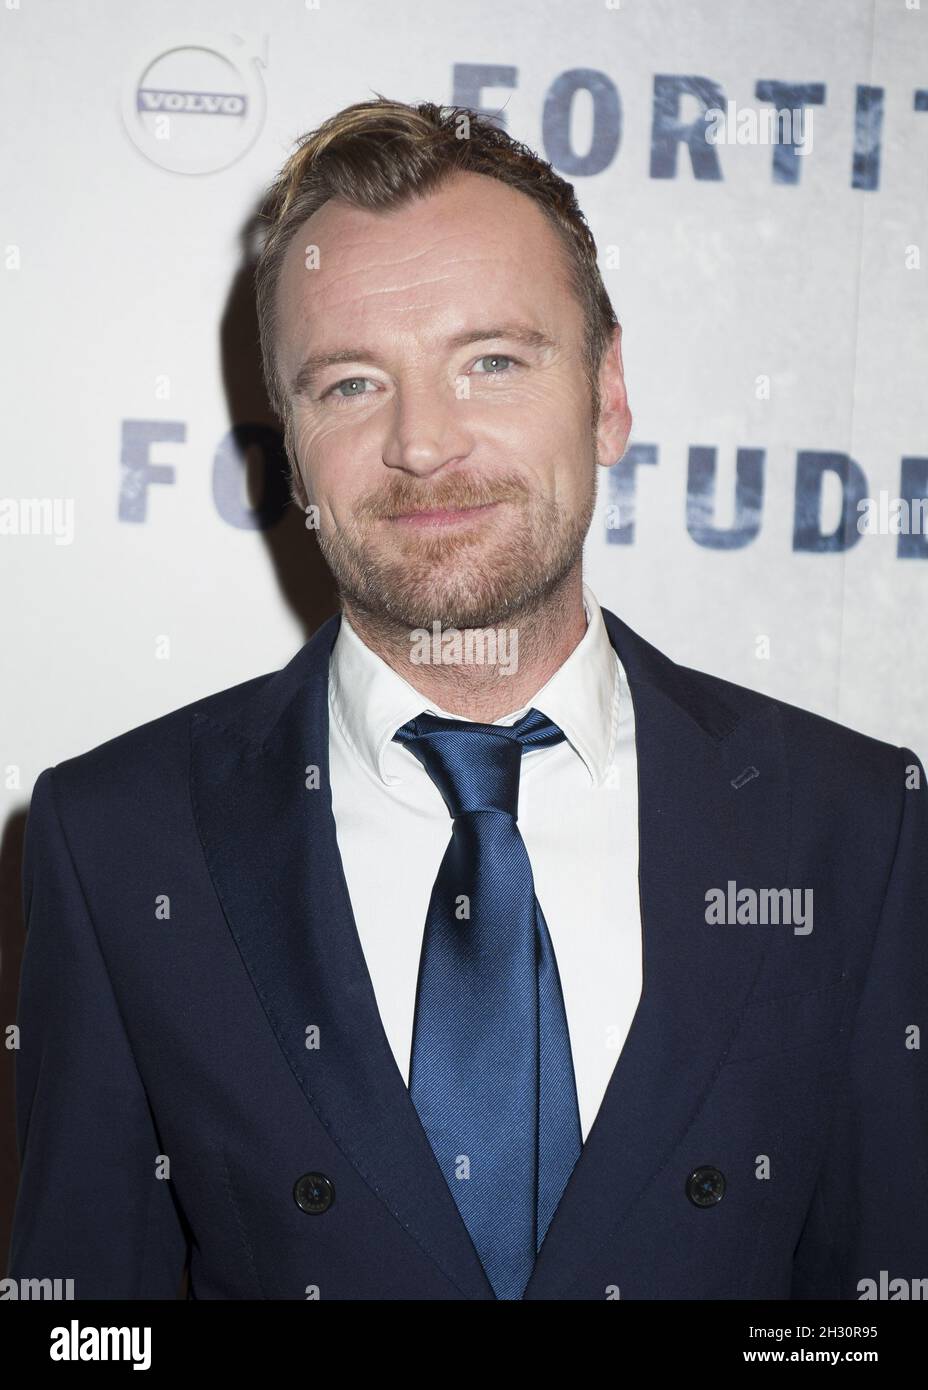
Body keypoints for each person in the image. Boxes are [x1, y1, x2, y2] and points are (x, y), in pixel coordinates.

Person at [7, 98, 927, 1301]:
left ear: (606, 397)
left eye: (490, 361)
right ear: (290, 447)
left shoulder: (853, 824)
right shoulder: (115, 839)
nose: (423, 445)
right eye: (348, 384)